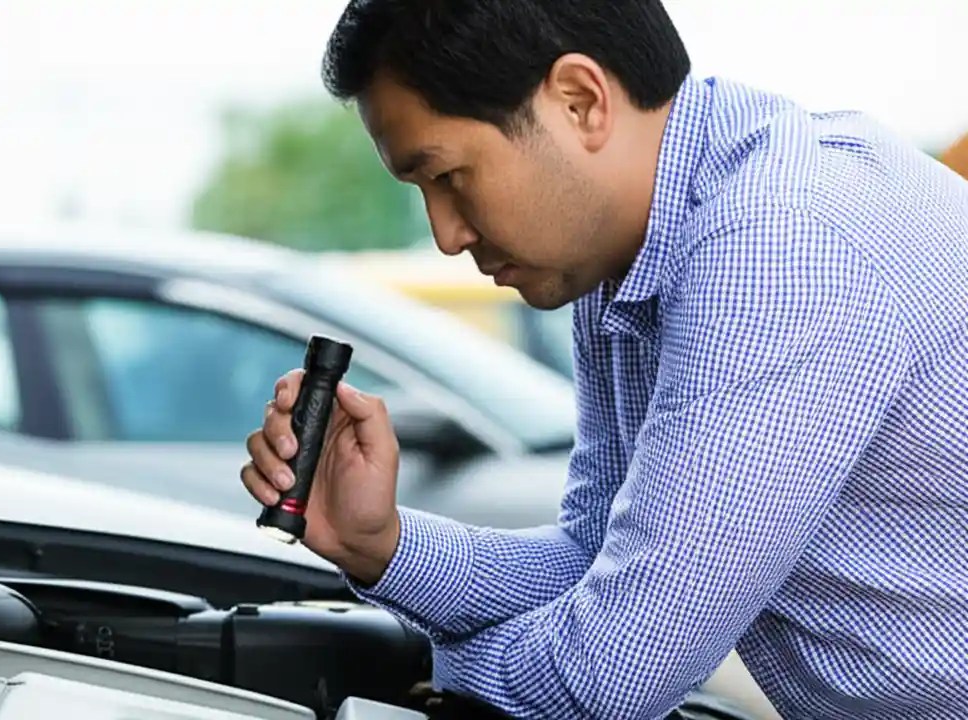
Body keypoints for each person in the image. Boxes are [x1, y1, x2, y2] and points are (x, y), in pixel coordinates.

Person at [239, 1, 968, 718]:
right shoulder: (621, 254)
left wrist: (410, 672)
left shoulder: (782, 244)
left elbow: (613, 675)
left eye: (449, 176)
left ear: (580, 101)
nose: (446, 235)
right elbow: (596, 560)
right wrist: (381, 545)